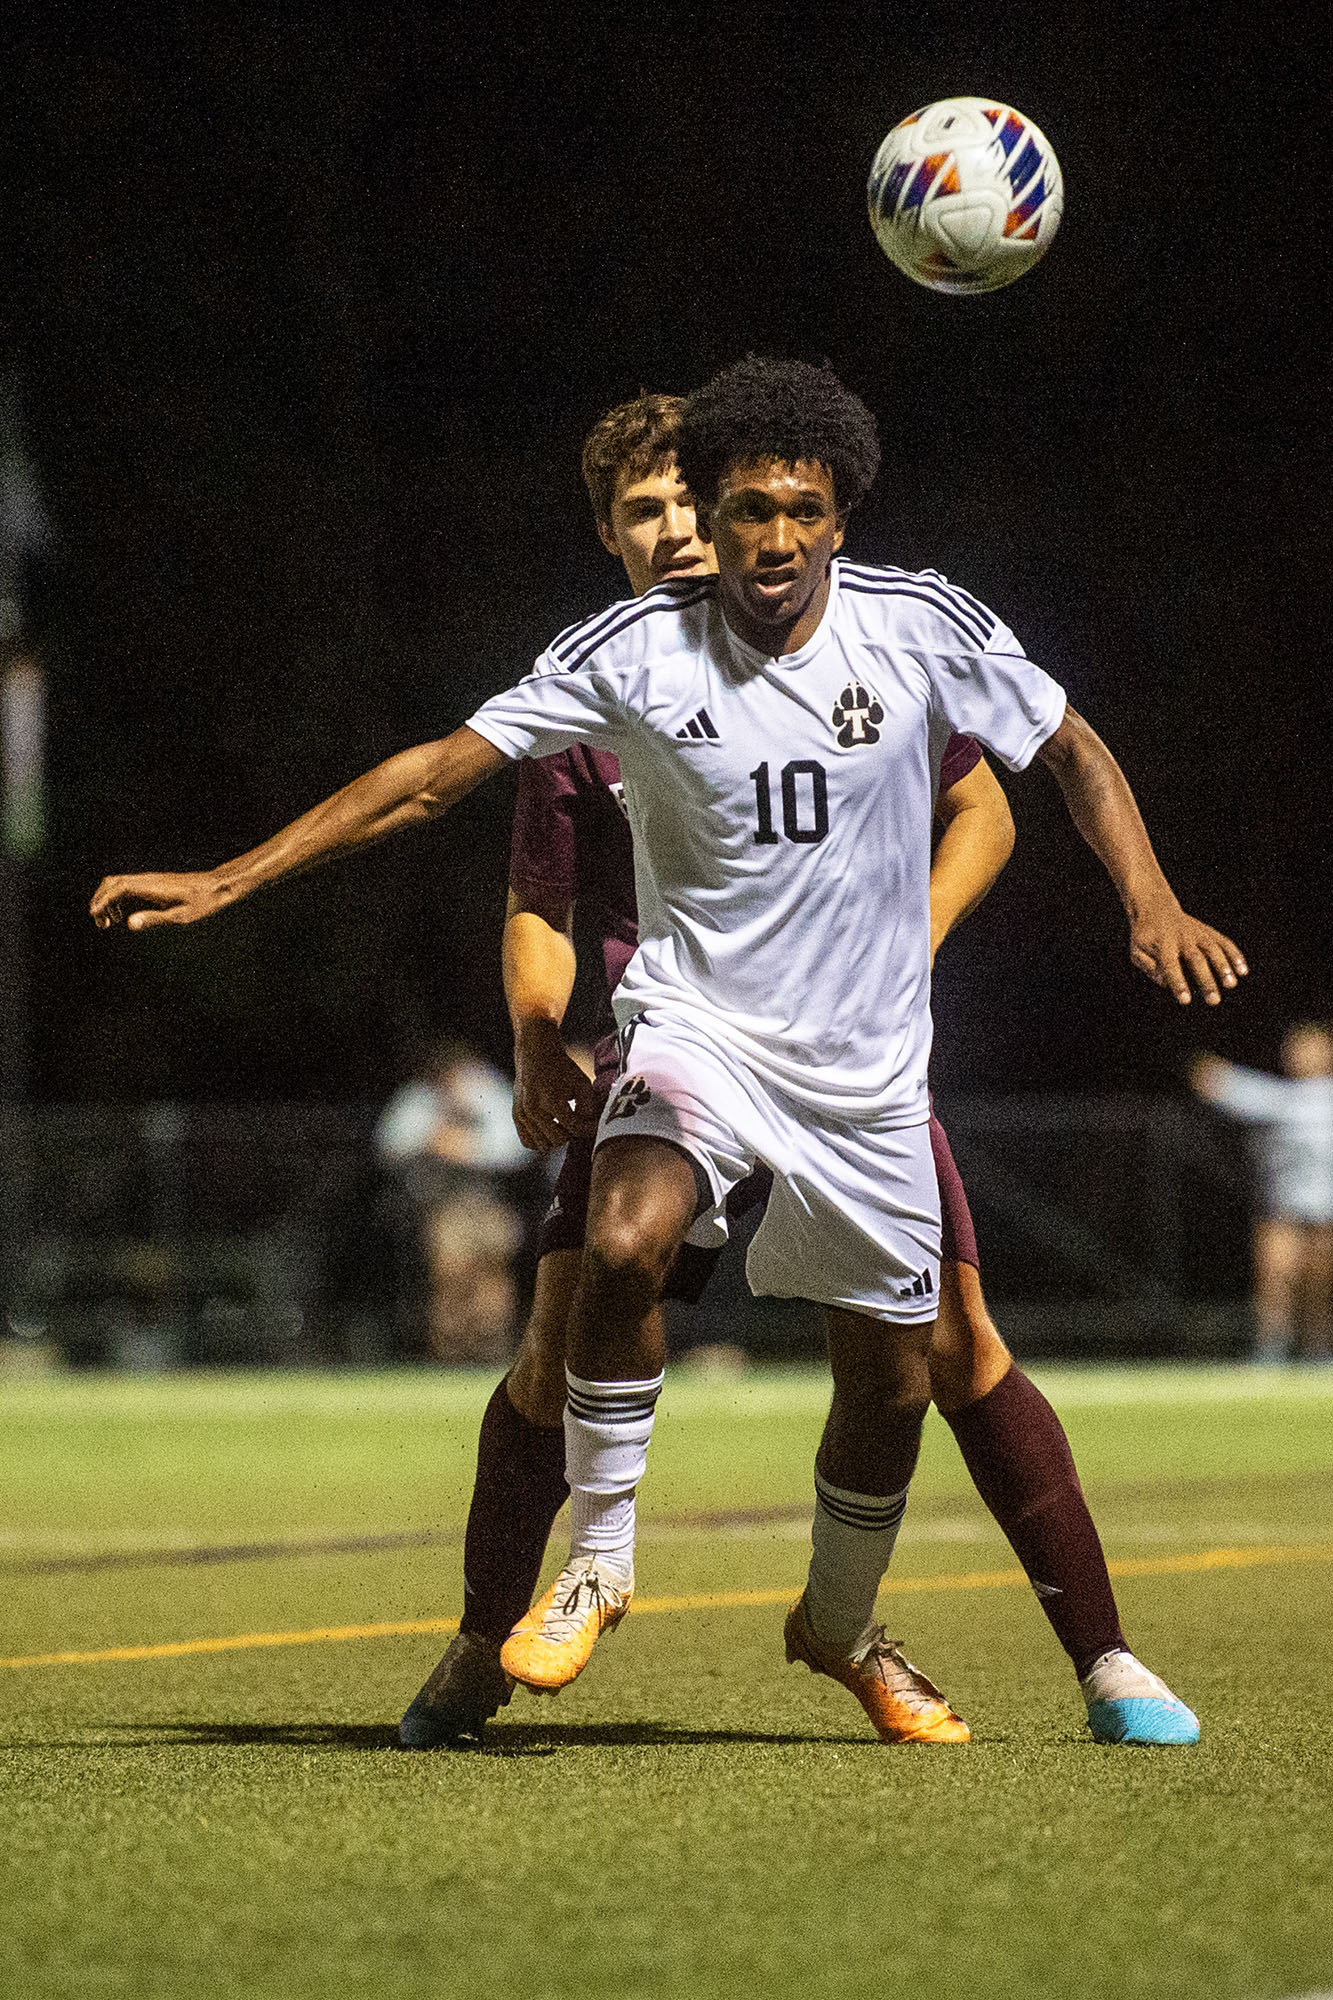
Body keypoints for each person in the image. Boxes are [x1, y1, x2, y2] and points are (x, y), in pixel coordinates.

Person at [91, 357, 1245, 1750]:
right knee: (597, 1280)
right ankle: (575, 1576)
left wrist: (1137, 903)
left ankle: (890, 1626)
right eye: (710, 507)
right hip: (684, 1036)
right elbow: (453, 808)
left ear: (835, 517)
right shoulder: (610, 666)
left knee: (918, 1371)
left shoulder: (918, 627)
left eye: (787, 509)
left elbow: (1043, 767)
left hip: (863, 1070)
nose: (738, 537)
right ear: (660, 518)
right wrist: (238, 879)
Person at [400, 393, 1196, 1752]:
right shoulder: (598, 681)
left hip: (840, 1055)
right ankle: (488, 1640)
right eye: (643, 509)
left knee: (947, 1351)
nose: (676, 531)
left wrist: (893, 953)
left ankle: (1091, 1658)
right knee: (560, 1331)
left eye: (682, 503)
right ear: (613, 531)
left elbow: (983, 806)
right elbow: (535, 902)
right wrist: (537, 1035)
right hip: (673, 1051)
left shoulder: (848, 646)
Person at [375, 1036, 530, 1361]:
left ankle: (492, 1352)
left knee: (493, 1278)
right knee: (451, 1276)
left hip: (489, 1202)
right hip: (444, 1205)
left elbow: (516, 1149)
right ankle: (451, 1355)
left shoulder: (492, 1092)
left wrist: (467, 1148)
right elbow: (389, 1145)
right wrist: (434, 1138)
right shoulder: (420, 1099)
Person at [1191, 1024, 1333, 1362]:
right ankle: (1271, 1348)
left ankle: (1319, 1349)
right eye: (1298, 1048)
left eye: (1314, 1048)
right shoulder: (1279, 1098)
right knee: (1276, 1276)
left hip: (1327, 1209)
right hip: (1282, 1208)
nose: (1305, 1055)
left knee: (1319, 1284)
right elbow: (1215, 1081)